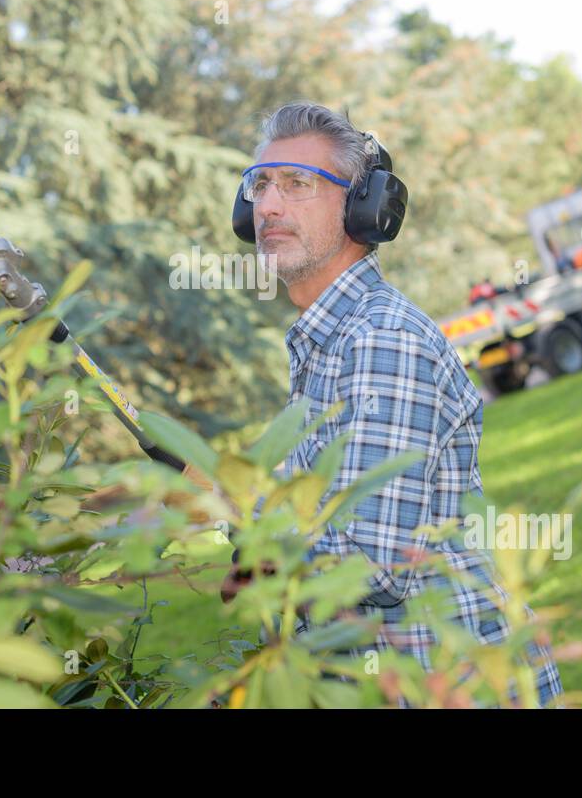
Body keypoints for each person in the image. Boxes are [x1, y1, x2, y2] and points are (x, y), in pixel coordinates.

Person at [221, 102, 563, 707]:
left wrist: (241, 515)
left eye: (297, 184)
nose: (267, 206)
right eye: (261, 184)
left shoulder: (381, 338)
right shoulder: (325, 340)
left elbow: (369, 567)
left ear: (364, 209)